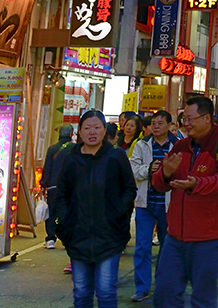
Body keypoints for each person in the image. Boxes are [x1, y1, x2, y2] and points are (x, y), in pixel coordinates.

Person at [151, 95, 218, 308]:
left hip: (208, 237)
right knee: (165, 294)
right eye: (184, 118)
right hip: (175, 235)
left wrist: (197, 183)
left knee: (203, 298)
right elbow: (159, 184)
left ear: (207, 118)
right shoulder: (180, 146)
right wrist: (164, 173)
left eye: (191, 118)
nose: (186, 123)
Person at [53, 110, 137, 308]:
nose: (92, 132)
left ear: (104, 130)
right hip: (78, 235)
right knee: (81, 293)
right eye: (87, 128)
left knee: (106, 292)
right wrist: (66, 220)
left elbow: (129, 189)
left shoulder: (116, 156)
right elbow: (62, 194)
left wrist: (117, 213)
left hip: (110, 236)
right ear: (79, 132)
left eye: (97, 127)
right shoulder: (71, 159)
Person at [130, 109, 178, 302]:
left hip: (169, 205)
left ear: (168, 125)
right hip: (146, 203)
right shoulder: (142, 145)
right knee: (142, 247)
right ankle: (142, 287)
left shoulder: (178, 145)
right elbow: (132, 169)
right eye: (154, 123)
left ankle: (164, 285)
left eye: (160, 123)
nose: (156, 126)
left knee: (167, 249)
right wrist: (149, 169)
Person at [42, 124, 75, 250]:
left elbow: (47, 168)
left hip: (53, 186)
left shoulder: (52, 149)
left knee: (51, 212)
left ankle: (50, 239)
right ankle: (67, 238)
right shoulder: (75, 148)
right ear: (71, 134)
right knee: (68, 212)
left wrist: (44, 183)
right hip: (70, 187)